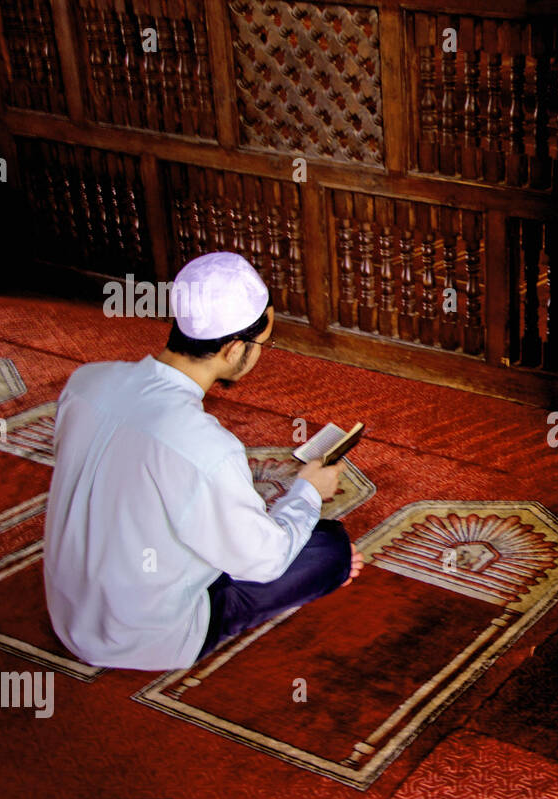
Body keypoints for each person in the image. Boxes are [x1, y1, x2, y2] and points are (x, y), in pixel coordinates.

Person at [43, 251, 363, 671]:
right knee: (329, 548)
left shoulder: (88, 380)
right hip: (147, 634)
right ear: (233, 349)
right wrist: (308, 490)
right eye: (262, 345)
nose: (260, 355)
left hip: (69, 609)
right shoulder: (207, 446)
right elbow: (264, 561)